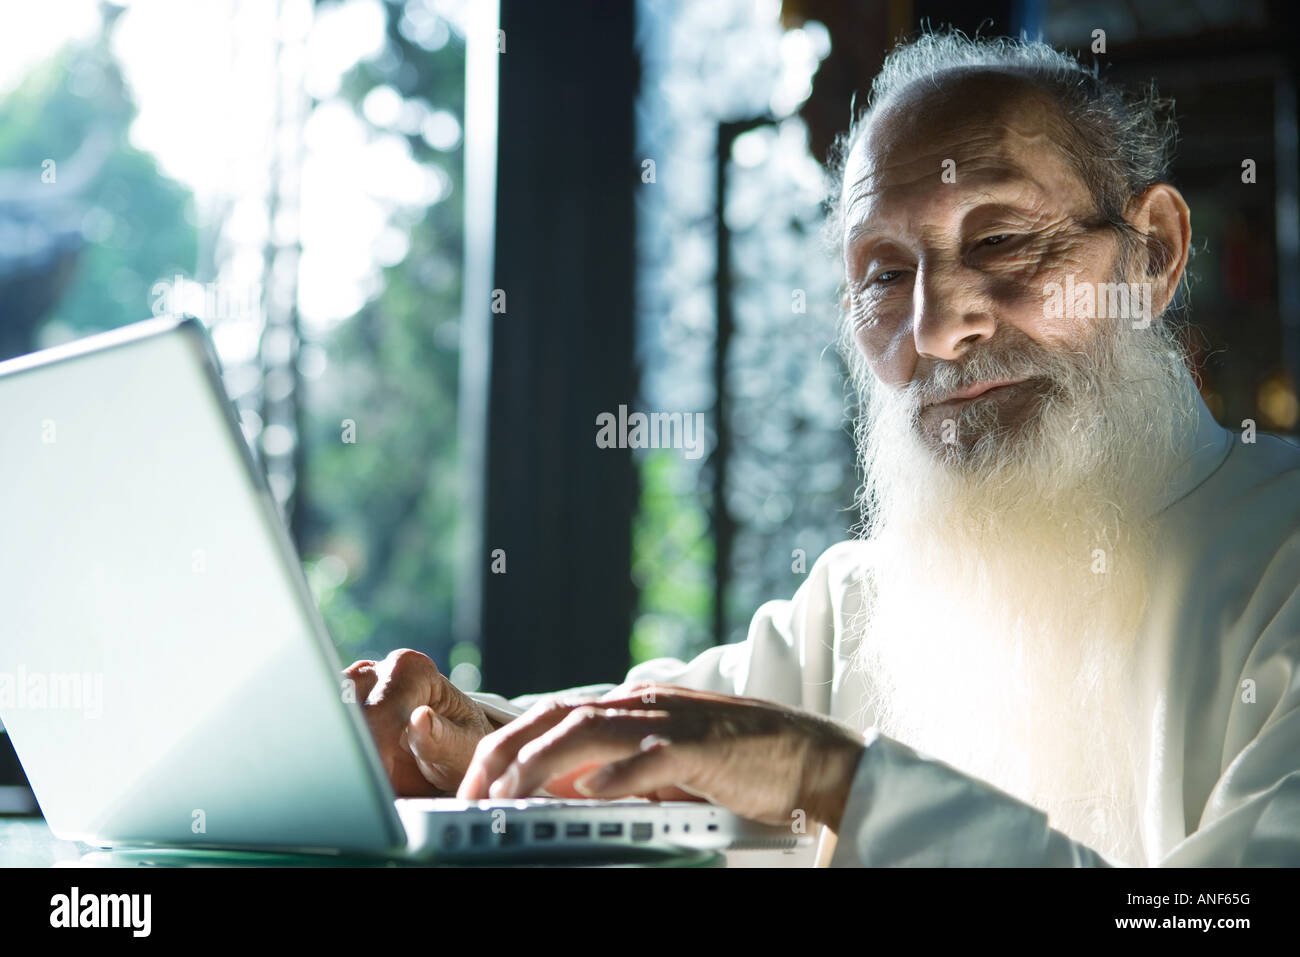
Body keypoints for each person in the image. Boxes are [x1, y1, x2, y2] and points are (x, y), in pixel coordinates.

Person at [344, 31, 1300, 866]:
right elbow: (650, 735)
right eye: (884, 275)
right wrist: (458, 730)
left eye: (1004, 240)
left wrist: (830, 776)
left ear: (1155, 253)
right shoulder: (861, 601)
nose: (936, 328)